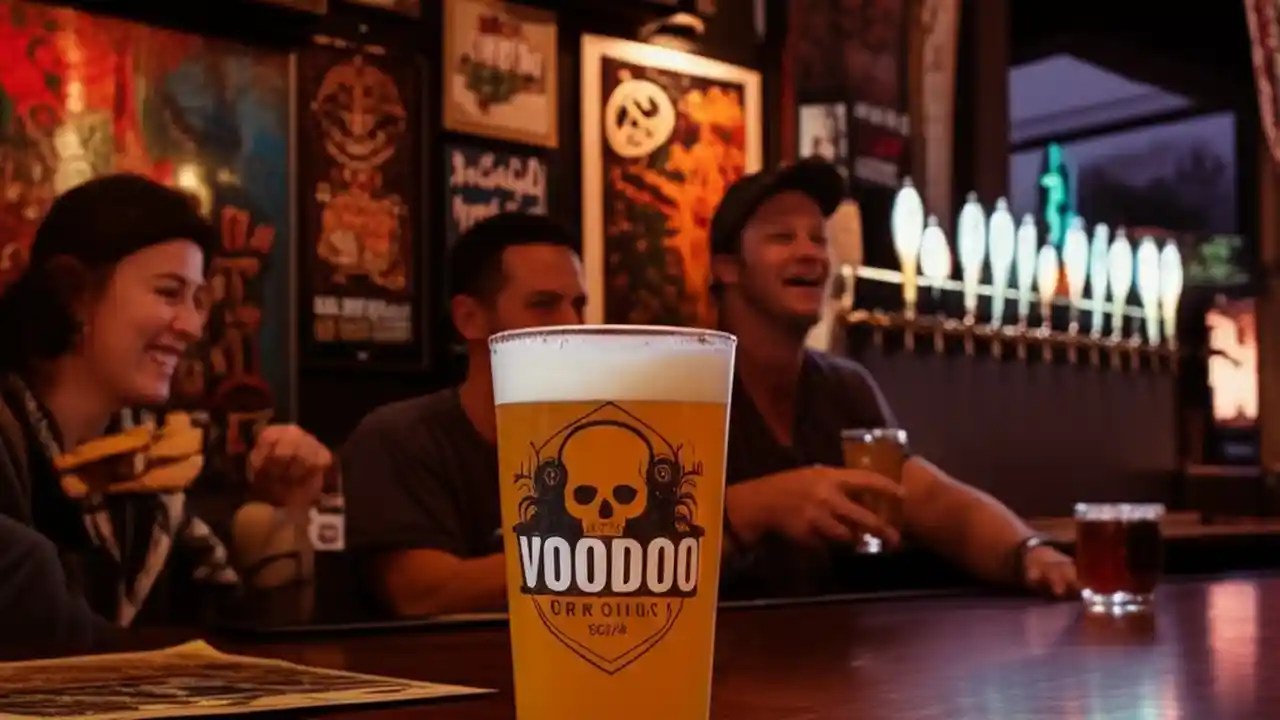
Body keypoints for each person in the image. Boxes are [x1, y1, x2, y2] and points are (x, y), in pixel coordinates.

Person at [709, 158, 1079, 599]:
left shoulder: (842, 387)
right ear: (727, 268)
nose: (809, 253)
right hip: (705, 662)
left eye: (818, 238)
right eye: (782, 237)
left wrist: (1028, 552)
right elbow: (626, 544)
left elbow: (932, 499)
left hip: (826, 656)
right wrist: (760, 506)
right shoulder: (681, 388)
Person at [0, 174, 331, 658]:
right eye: (169, 293)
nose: (194, 325)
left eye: (197, 300)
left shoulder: (147, 472)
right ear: (73, 292)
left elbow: (240, 643)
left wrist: (284, 515)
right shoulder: (9, 440)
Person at [342, 213, 586, 618]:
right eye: (544, 305)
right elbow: (421, 590)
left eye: (578, 305)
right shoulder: (400, 438)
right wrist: (609, 557)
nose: (573, 325)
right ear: (469, 318)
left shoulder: (597, 441)